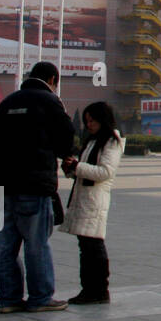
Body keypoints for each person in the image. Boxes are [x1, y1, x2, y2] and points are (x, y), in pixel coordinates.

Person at [0, 61, 75, 313]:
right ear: (52, 80)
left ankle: (8, 299)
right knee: (36, 243)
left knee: (6, 245)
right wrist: (66, 155)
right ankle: (40, 297)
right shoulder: (50, 102)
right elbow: (66, 137)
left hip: (5, 184)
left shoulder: (7, 102)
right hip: (34, 184)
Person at [59, 102, 124, 304]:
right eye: (86, 121)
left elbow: (105, 172)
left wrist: (78, 167)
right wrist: (70, 168)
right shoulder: (92, 140)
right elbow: (84, 170)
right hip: (83, 197)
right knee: (85, 246)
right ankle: (88, 289)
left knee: (94, 245)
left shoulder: (112, 141)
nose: (89, 124)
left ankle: (99, 290)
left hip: (95, 199)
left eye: (92, 120)